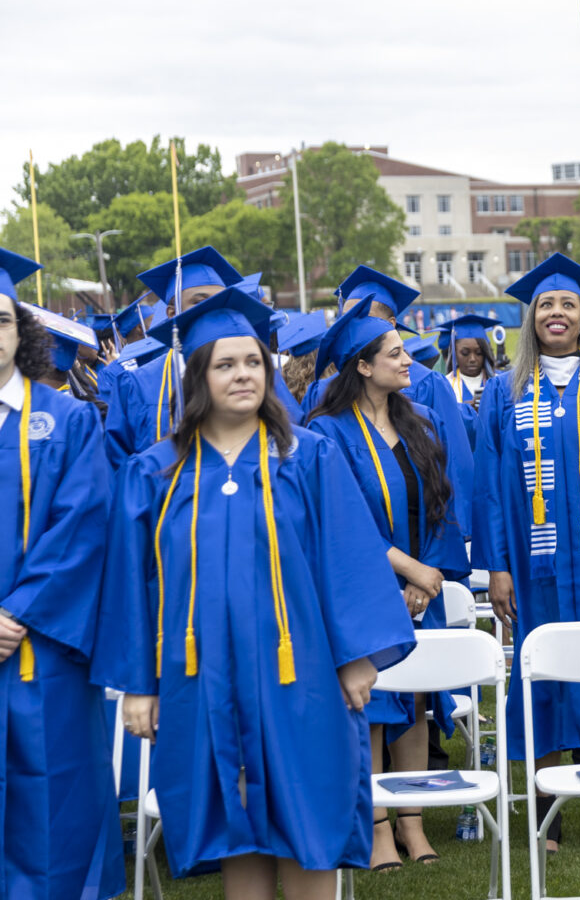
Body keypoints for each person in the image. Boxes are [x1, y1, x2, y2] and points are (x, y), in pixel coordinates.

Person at [94, 287, 417, 894]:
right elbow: (130, 586)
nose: (242, 374)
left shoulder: (307, 458)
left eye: (252, 362)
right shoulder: (153, 472)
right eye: (224, 364)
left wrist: (356, 659)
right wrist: (138, 684)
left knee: (309, 817)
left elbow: (345, 560)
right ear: (198, 376)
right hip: (200, 678)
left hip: (302, 675)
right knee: (231, 822)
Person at [471, 253, 580, 857]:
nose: (555, 312)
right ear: (531, 320)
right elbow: (491, 488)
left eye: (566, 305)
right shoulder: (505, 392)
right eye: (545, 305)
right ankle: (547, 815)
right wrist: (497, 566)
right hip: (535, 564)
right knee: (542, 675)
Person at [306, 297, 467, 871]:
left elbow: (441, 506)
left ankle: (414, 825)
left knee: (418, 704)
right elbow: (340, 523)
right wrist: (406, 572)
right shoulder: (326, 435)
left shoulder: (415, 421)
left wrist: (430, 578)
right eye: (396, 354)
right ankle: (375, 829)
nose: (408, 361)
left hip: (420, 588)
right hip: (363, 589)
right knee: (372, 707)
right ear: (364, 367)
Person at [0, 250, 124, 900]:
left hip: (42, 647)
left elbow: (85, 522)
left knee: (55, 797)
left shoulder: (70, 422)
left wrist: (18, 611)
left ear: (23, 333)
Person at [302, 266, 474, 532]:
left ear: (390, 324)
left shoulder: (428, 383)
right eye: (346, 317)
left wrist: (455, 535)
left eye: (363, 316)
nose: (353, 324)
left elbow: (454, 466)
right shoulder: (322, 394)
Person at [104, 246, 244, 468]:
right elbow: (117, 467)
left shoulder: (253, 378)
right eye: (199, 302)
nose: (211, 310)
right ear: (172, 314)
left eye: (220, 301)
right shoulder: (136, 386)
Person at [436, 314, 499, 445]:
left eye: (479, 353)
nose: (472, 359)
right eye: (465, 353)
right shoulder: (444, 385)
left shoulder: (499, 383)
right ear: (454, 353)